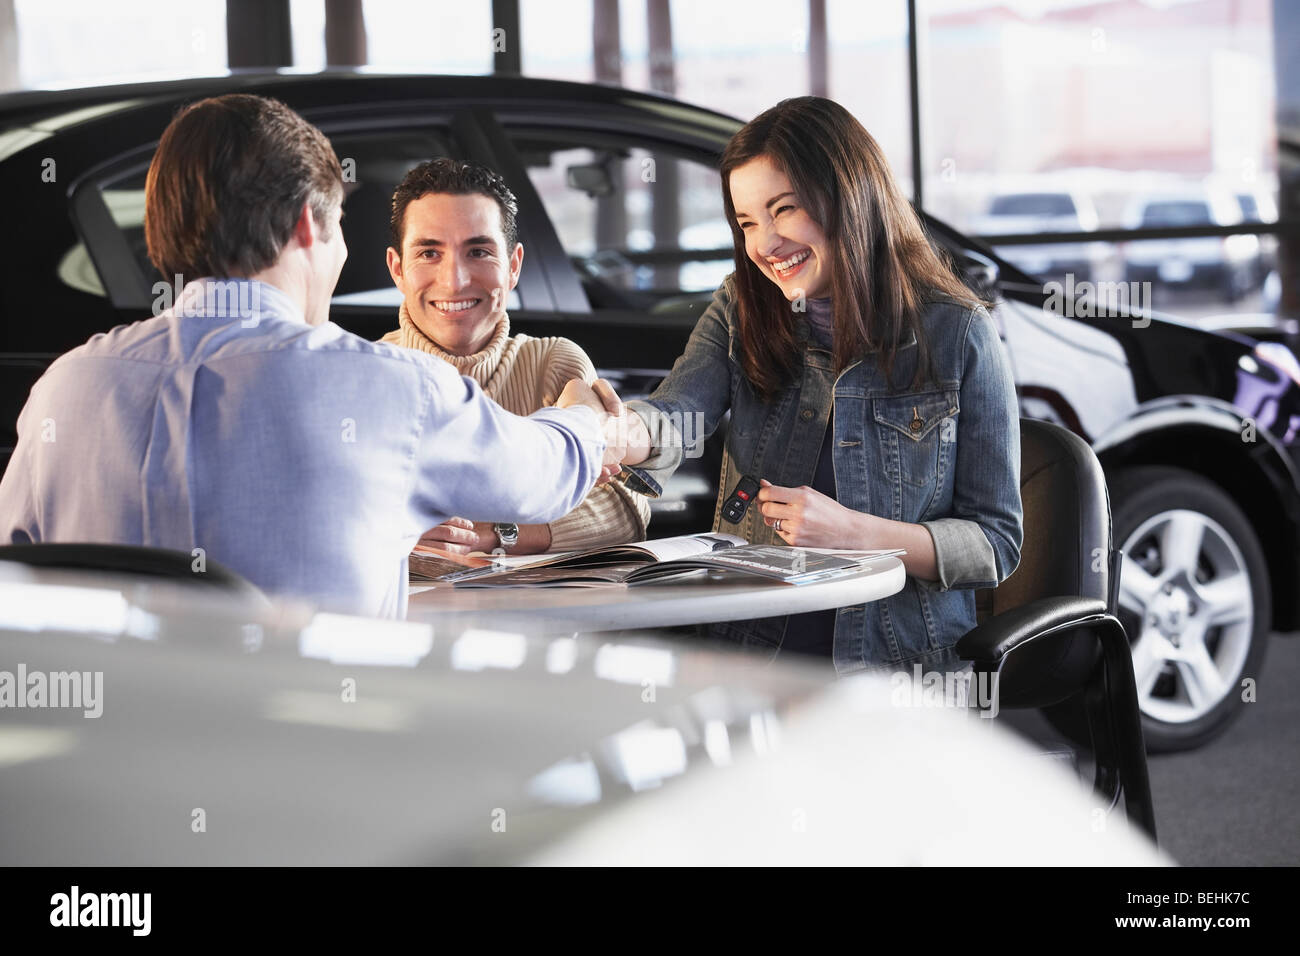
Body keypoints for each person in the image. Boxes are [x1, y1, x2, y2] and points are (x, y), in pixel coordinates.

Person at [0, 94, 626, 618]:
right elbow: (547, 475)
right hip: (324, 751)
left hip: (108, 755)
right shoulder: (391, 389)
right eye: (340, 227)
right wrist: (582, 416)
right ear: (307, 225)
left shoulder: (65, 387)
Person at [618, 97, 1023, 674]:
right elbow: (677, 412)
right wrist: (609, 431)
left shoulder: (959, 333)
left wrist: (857, 535)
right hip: (755, 658)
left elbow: (994, 545)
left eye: (783, 210)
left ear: (849, 197)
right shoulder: (741, 308)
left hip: (898, 674)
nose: (764, 244)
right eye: (747, 222)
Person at [379, 159, 649, 556]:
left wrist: (493, 535)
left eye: (478, 251)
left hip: (536, 615)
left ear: (514, 266)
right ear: (398, 269)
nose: (454, 281)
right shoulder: (368, 373)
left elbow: (623, 509)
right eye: (429, 254)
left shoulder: (552, 363)